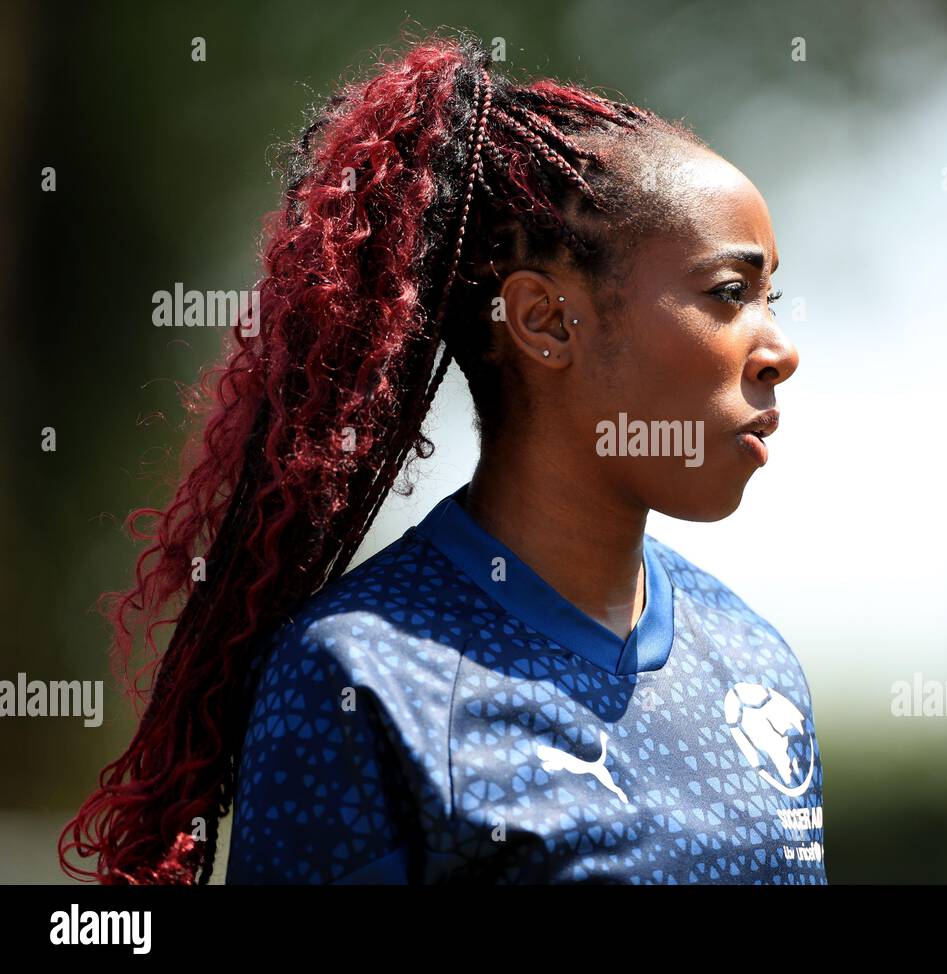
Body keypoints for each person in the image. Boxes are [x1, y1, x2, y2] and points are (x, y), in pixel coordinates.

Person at [60, 29, 824, 885]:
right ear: (542, 321)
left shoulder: (756, 664)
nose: (780, 349)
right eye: (729, 294)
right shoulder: (362, 681)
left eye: (771, 297)